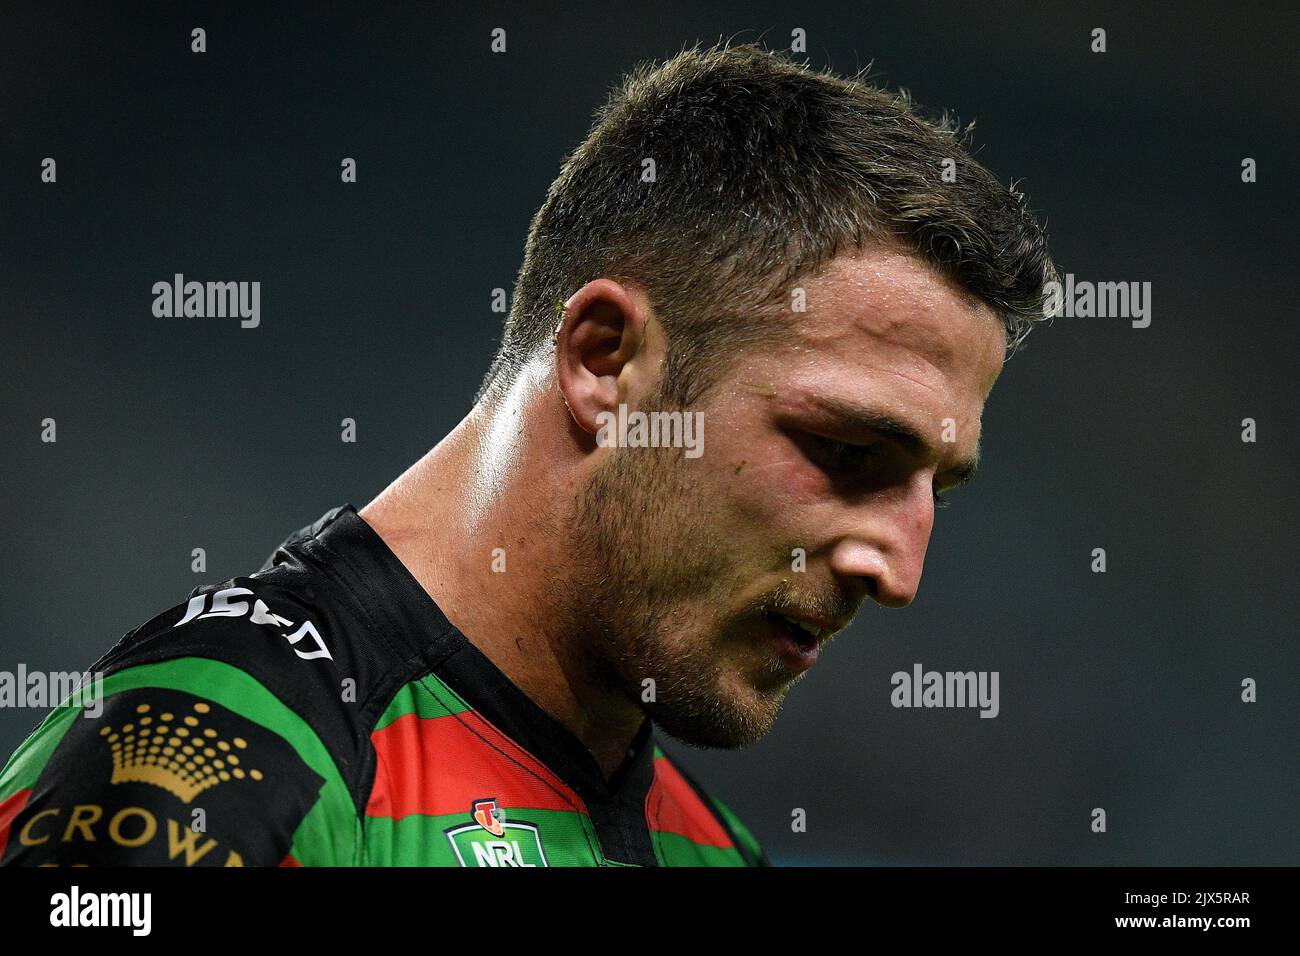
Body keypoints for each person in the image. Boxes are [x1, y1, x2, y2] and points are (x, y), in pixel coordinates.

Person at [0, 42, 1054, 866]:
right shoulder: (216, 752)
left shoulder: (707, 845)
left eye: (935, 489)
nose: (898, 570)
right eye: (846, 448)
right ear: (605, 363)